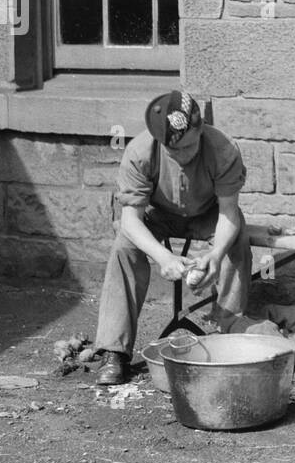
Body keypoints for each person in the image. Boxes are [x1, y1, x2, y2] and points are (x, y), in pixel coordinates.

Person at [92, 89, 252, 385]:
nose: (180, 156)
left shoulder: (223, 149)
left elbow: (229, 213)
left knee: (237, 240)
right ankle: (114, 350)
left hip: (208, 214)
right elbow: (130, 219)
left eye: (188, 147)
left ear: (200, 130)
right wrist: (163, 257)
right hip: (159, 215)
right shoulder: (140, 151)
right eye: (172, 150)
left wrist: (214, 256)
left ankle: (229, 333)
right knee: (124, 247)